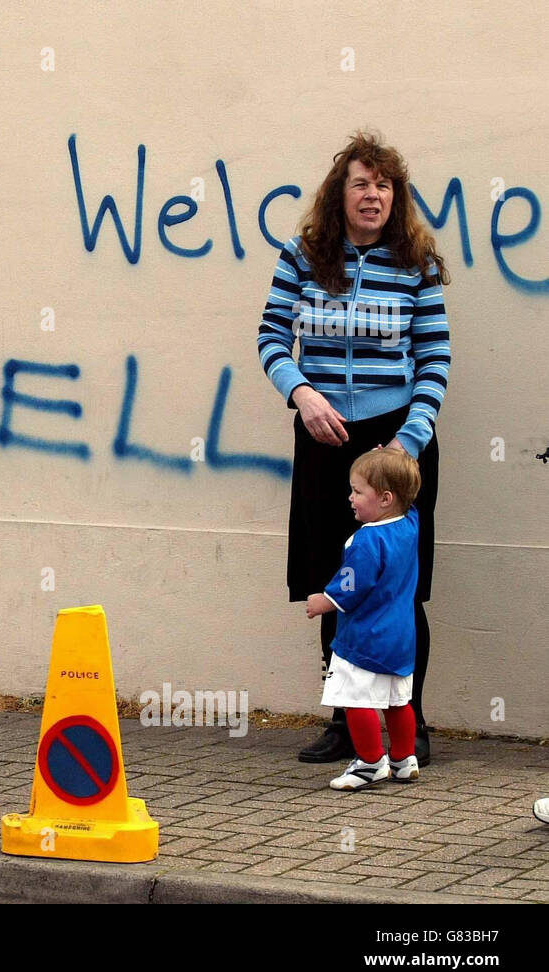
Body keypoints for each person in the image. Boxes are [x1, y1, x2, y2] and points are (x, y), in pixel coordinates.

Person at [257, 131, 450, 766]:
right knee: (335, 578)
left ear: (397, 197)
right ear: (339, 194)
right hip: (324, 438)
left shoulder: (416, 262)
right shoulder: (303, 256)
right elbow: (271, 337)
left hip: (395, 441)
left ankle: (407, 728)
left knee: (398, 587)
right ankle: (346, 721)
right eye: (361, 183)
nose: (373, 195)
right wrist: (303, 394)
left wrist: (407, 441)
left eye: (385, 185)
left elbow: (434, 362)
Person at [306, 449, 421, 789]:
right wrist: (388, 462)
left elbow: (352, 584)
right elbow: (409, 494)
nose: (351, 498)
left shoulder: (367, 540)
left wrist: (322, 602)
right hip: (400, 637)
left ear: (385, 498)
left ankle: (370, 763)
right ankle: (403, 758)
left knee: (355, 700)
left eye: (358, 491)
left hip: (365, 638)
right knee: (398, 700)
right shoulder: (409, 523)